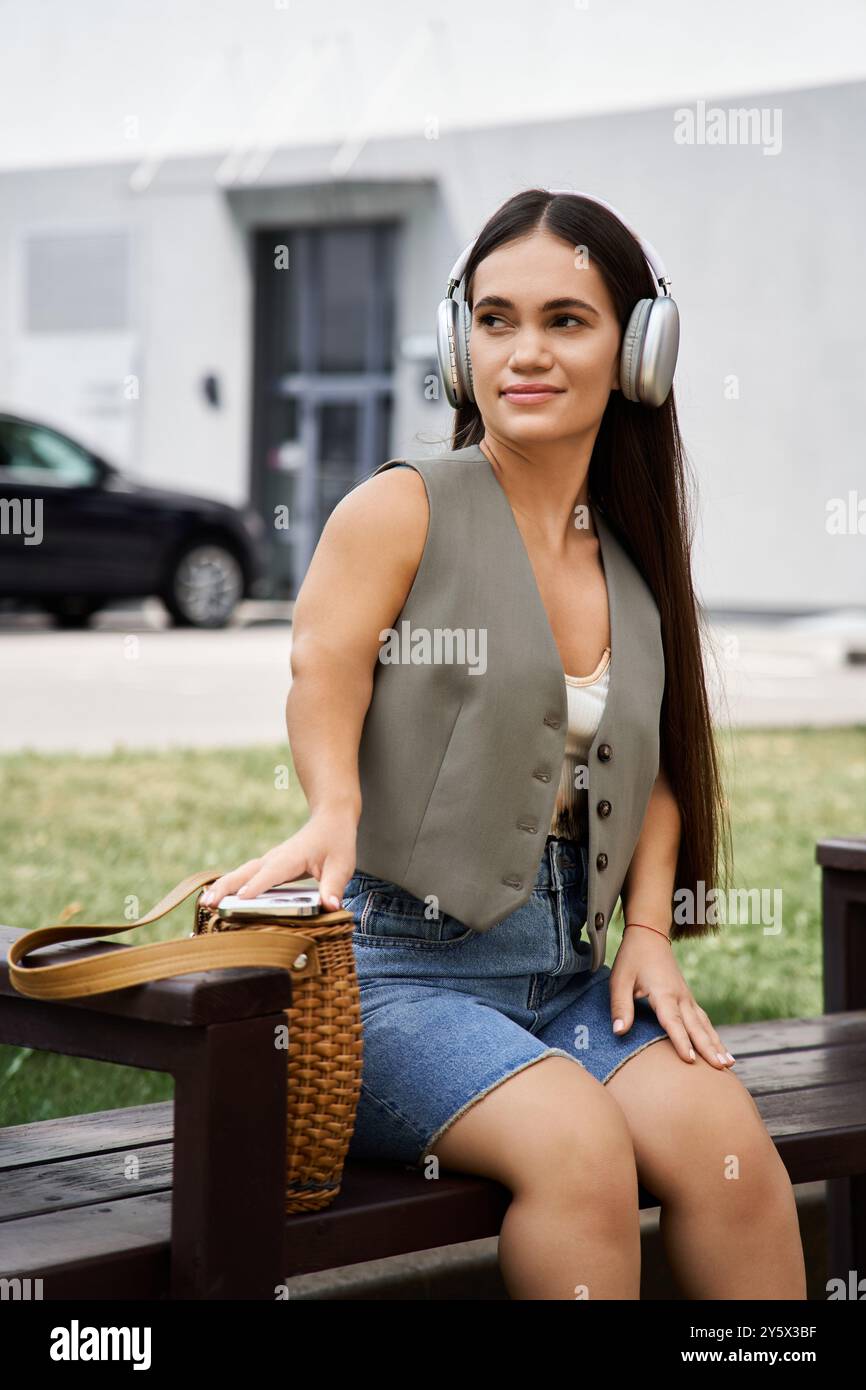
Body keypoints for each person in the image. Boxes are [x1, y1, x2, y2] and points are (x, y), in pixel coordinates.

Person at [203, 189, 806, 1300]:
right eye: (493, 319)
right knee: (579, 1154)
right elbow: (321, 667)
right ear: (456, 339)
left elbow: (659, 770)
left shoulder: (630, 563)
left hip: (574, 982)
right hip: (393, 977)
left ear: (636, 350)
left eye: (563, 321)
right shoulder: (404, 506)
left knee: (737, 1167)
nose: (522, 351)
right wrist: (330, 801)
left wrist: (645, 933)